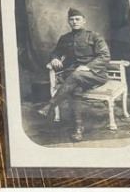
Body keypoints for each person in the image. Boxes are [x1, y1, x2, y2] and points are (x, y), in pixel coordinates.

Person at [37, 8, 111, 140]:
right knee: (76, 88)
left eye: (77, 19)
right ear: (68, 22)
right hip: (73, 75)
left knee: (76, 76)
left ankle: (50, 105)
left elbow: (105, 56)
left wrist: (88, 67)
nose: (74, 21)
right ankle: (78, 128)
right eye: (71, 19)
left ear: (84, 21)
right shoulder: (64, 38)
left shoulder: (94, 36)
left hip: (95, 74)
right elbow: (56, 52)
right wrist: (55, 58)